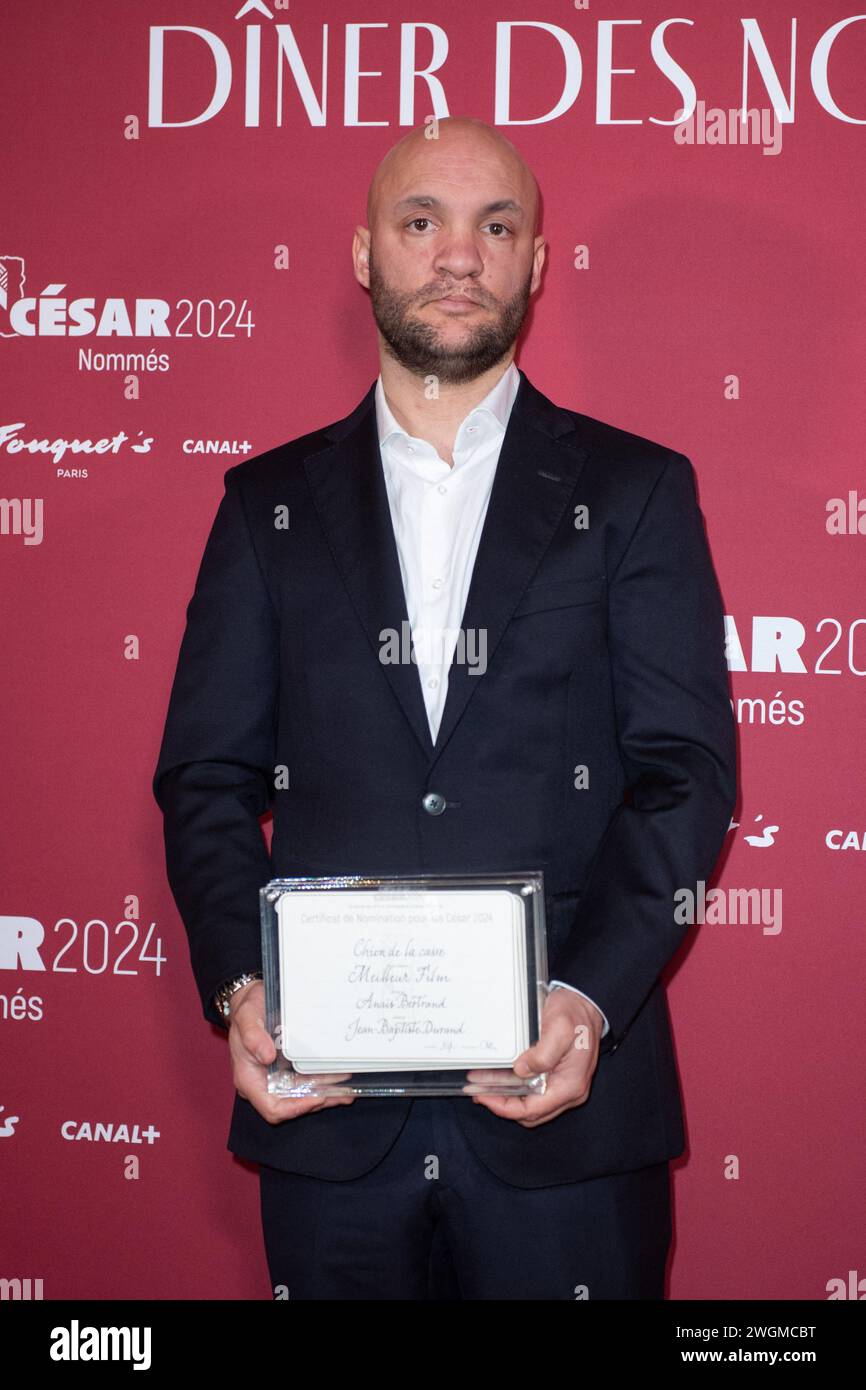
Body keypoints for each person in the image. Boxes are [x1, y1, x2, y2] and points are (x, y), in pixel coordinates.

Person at [152, 115, 737, 1300]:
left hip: (567, 1121)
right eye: (421, 223)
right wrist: (239, 988)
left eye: (495, 225)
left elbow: (683, 772)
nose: (457, 255)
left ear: (535, 261)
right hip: (328, 1119)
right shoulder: (263, 505)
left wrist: (585, 998)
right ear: (366, 254)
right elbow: (205, 776)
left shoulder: (634, 492)